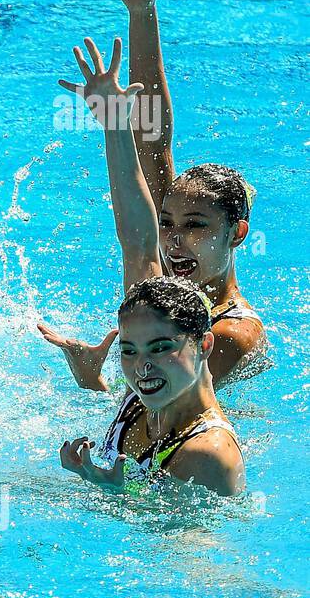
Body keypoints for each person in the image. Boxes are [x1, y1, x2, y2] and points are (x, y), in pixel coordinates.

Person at [39, 0, 267, 390]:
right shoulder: (170, 287)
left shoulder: (233, 335)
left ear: (237, 233)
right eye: (168, 223)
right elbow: (153, 141)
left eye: (197, 226)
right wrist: (141, 10)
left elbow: (155, 414)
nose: (174, 240)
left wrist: (96, 387)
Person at [55, 37, 243, 497]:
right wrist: (114, 125)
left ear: (204, 344)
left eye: (160, 347)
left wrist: (115, 500)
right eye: (130, 351)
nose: (141, 367)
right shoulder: (158, 392)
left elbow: (188, 561)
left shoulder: (208, 456)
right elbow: (138, 239)